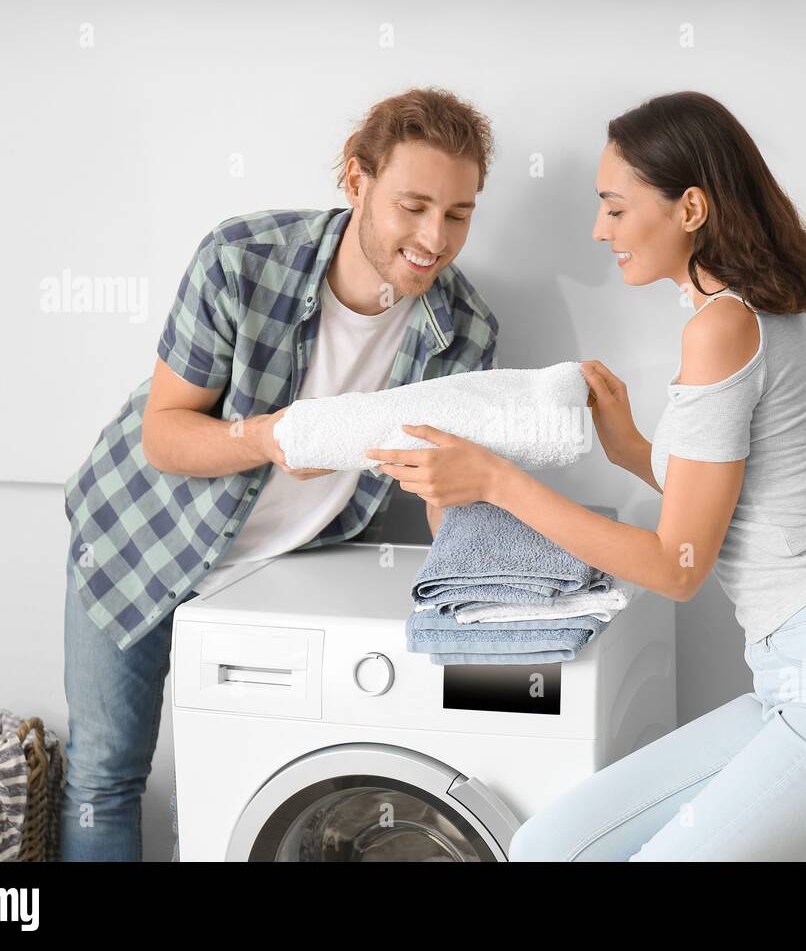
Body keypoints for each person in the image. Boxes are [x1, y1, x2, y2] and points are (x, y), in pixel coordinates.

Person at [366, 91, 806, 861]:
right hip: (803, 678)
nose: (599, 229)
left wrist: (497, 483)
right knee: (551, 848)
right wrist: (633, 448)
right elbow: (737, 496)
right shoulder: (759, 318)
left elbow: (678, 568)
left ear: (691, 208)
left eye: (614, 206)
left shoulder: (725, 327)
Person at [60, 87, 499, 861]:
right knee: (106, 775)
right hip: (139, 536)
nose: (436, 237)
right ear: (356, 182)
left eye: (458, 213)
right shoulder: (242, 259)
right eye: (414, 205)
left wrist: (479, 620)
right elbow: (164, 433)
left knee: (236, 781)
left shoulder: (461, 330)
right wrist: (266, 438)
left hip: (277, 575)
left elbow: (444, 496)